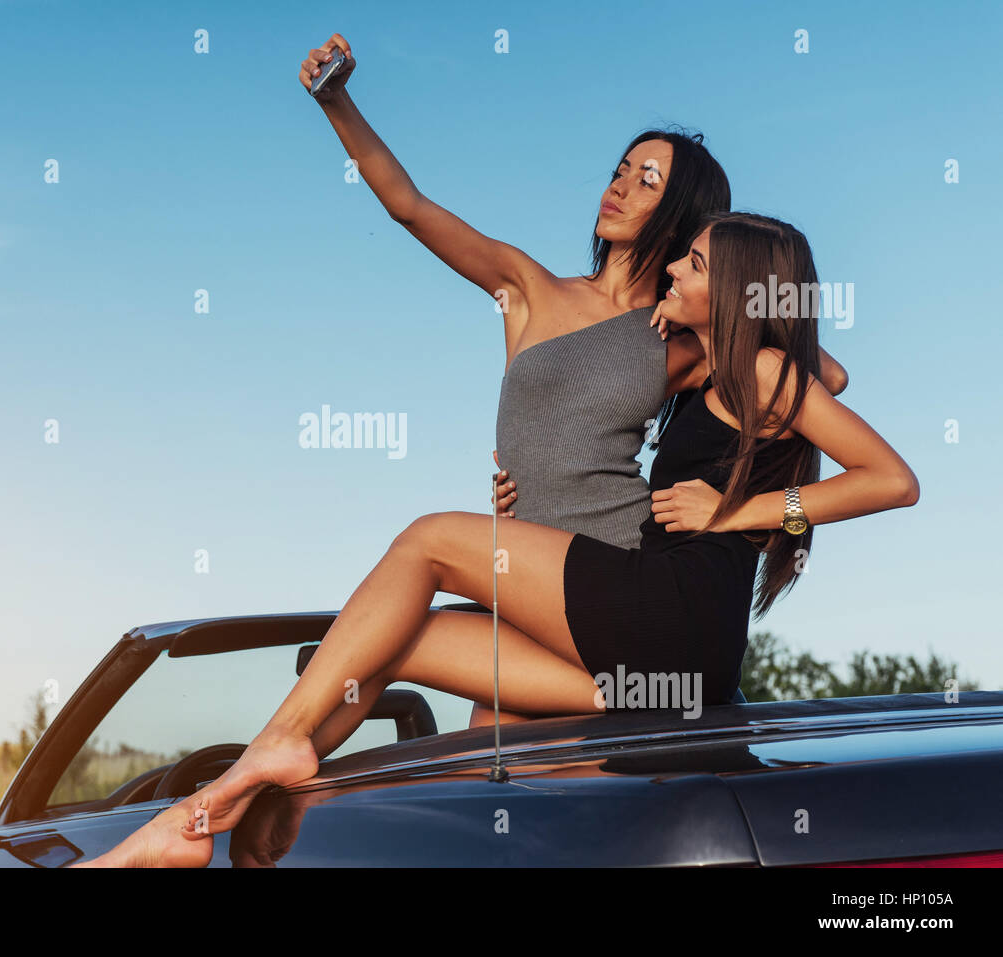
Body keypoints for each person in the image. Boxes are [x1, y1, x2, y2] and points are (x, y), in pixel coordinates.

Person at [73, 211, 919, 867]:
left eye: (694, 263)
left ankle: (270, 753)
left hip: (673, 609)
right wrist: (709, 316)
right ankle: (216, 812)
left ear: (737, 287)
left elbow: (890, 480)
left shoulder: (764, 374)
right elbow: (829, 369)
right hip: (669, 651)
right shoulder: (749, 367)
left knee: (430, 542)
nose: (670, 266)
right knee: (411, 639)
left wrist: (733, 514)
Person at [283, 33, 848, 723]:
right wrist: (337, 102)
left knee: (470, 725)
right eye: (622, 167)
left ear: (681, 216)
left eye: (648, 180)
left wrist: (721, 305)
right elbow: (409, 204)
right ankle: (270, 808)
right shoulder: (526, 288)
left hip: (620, 569)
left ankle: (254, 782)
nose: (619, 185)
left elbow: (826, 374)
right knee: (483, 778)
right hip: (522, 567)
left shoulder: (680, 338)